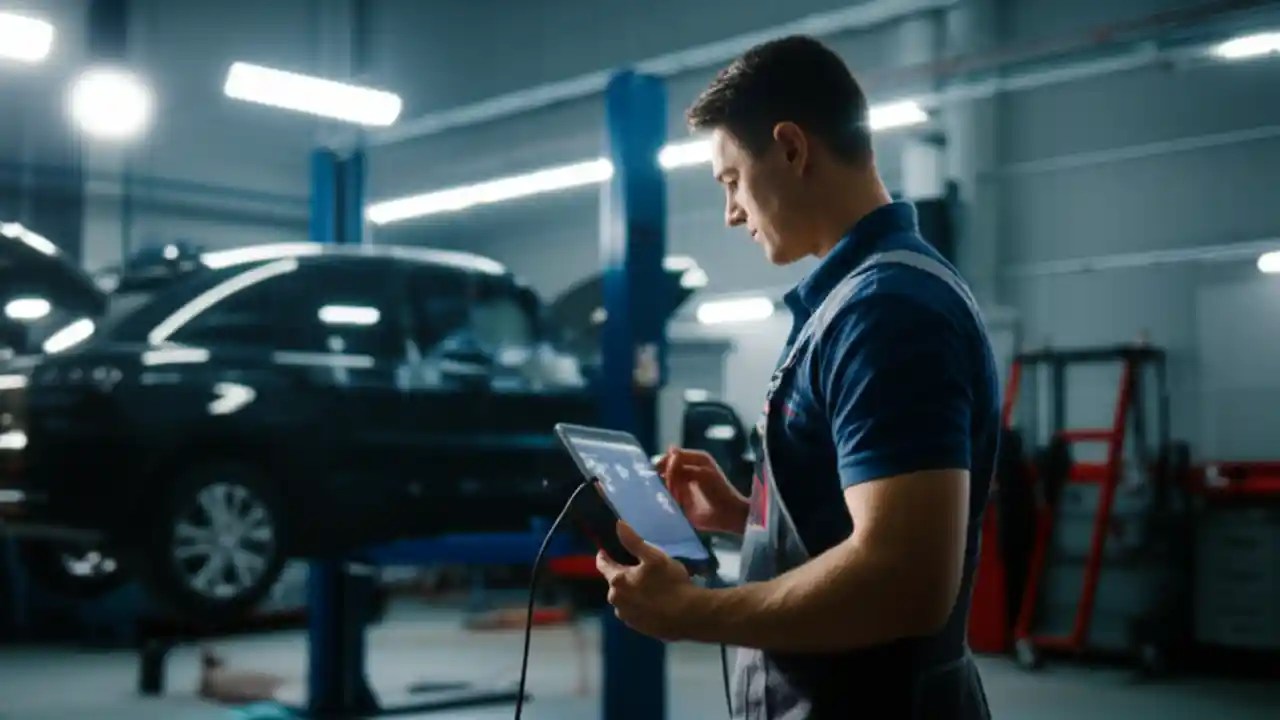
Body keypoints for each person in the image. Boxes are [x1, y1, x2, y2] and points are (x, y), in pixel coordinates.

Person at [595, 35, 998, 719]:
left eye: (730, 181)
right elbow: (858, 519)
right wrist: (743, 518)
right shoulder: (854, 302)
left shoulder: (886, 311)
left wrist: (696, 612)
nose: (730, 212)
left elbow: (904, 580)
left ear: (790, 148)